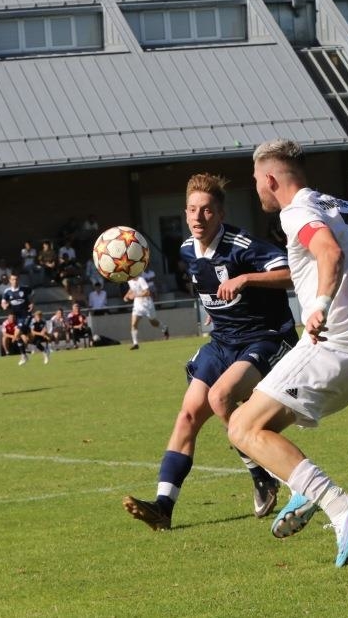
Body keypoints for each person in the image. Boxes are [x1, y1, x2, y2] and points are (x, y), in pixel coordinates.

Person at [225, 139, 348, 568]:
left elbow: (328, 253)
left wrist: (317, 306)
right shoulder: (347, 209)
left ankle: (337, 504)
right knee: (266, 427)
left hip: (329, 348)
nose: (257, 189)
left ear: (270, 179)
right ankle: (304, 493)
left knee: (241, 426)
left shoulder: (295, 211)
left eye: (256, 181)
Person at [123, 173, 299, 530]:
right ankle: (163, 507)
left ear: (220, 213)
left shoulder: (243, 245)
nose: (197, 218)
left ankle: (259, 473)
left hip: (264, 338)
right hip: (223, 342)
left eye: (206, 211)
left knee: (220, 398)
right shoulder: (188, 248)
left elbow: (292, 272)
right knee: (187, 415)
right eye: (191, 210)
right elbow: (208, 285)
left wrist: (246, 279)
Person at [124, 274, 168, 350]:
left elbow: (147, 292)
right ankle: (135, 343)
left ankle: (164, 328)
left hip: (147, 304)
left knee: (152, 322)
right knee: (133, 323)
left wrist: (135, 295)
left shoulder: (141, 279)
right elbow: (131, 289)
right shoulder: (129, 280)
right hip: (137, 304)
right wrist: (126, 296)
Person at [0, 273, 33, 365]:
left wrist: (32, 303)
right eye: (13, 279)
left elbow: (33, 293)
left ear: (19, 280)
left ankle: (24, 355)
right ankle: (25, 355)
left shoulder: (25, 289)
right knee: (23, 337)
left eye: (16, 279)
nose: (15, 281)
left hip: (26, 315)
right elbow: (2, 302)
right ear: (10, 281)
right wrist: (4, 306)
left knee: (17, 333)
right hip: (17, 317)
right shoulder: (7, 291)